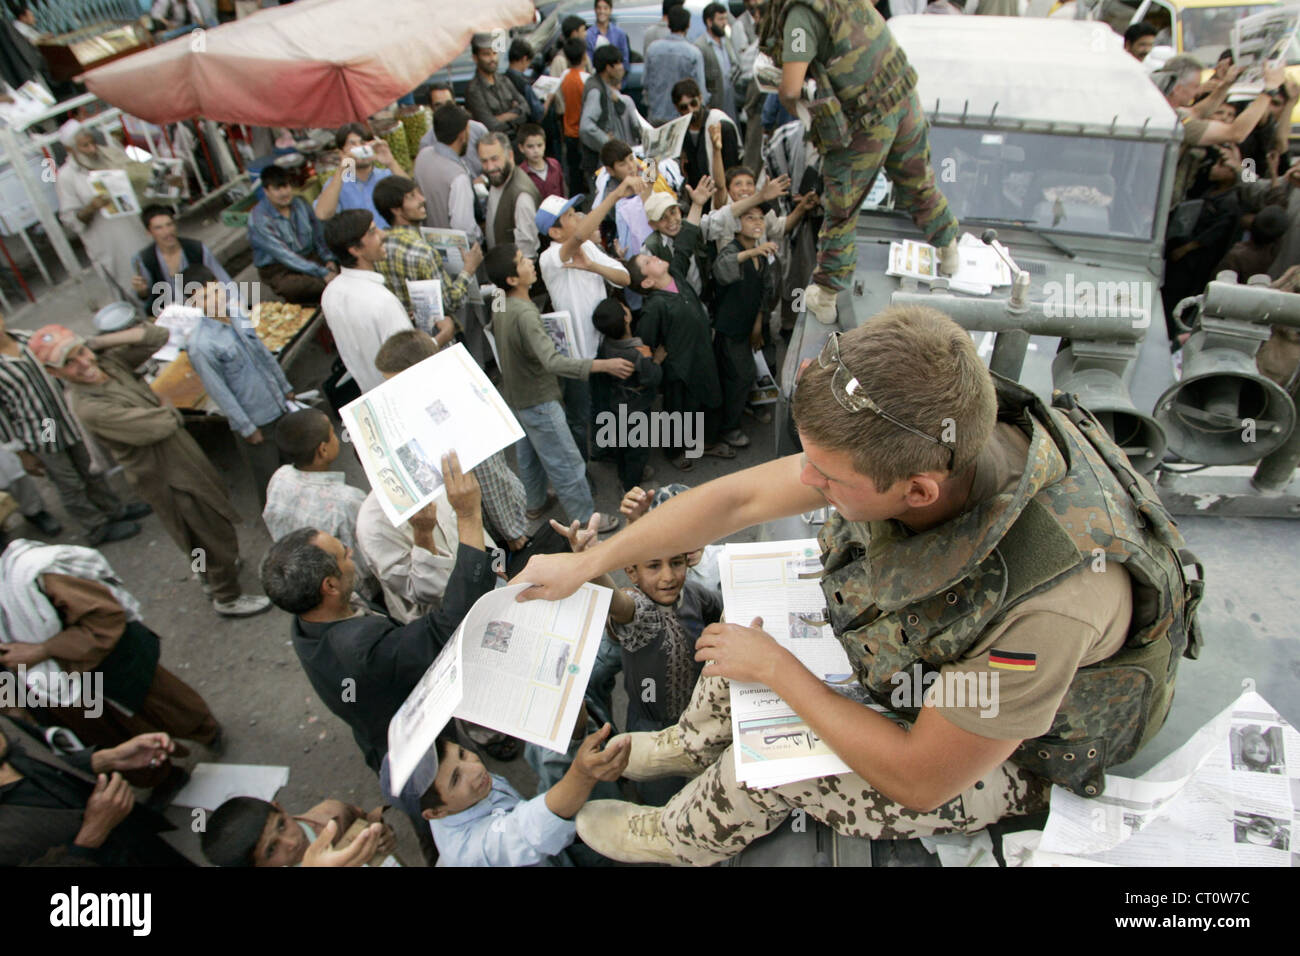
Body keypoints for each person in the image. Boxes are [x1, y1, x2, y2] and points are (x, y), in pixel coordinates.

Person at [513, 305, 1200, 866]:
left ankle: (680, 836)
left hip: (1023, 752)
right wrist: (588, 563)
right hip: (950, 671)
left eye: (828, 477)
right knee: (750, 638)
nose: (805, 481)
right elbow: (737, 501)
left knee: (784, 764)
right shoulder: (925, 433)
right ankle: (688, 743)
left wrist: (778, 671)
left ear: (918, 491)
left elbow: (919, 776)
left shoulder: (1046, 605)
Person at [260, 451, 494, 774]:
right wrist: (468, 515)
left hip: (387, 727)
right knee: (455, 783)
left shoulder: (307, 616)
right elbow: (449, 628)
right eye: (343, 554)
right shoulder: (364, 649)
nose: (351, 552)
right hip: (421, 750)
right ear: (330, 586)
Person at [32, 323, 270, 618]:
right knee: (205, 534)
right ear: (55, 373)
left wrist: (98, 342)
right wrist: (166, 408)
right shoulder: (90, 407)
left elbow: (157, 337)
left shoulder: (108, 364)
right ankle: (226, 596)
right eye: (69, 362)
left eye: (80, 351)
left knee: (198, 531)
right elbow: (161, 425)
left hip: (180, 457)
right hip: (164, 475)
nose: (82, 363)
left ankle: (210, 578)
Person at [761, 0, 960, 325]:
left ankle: (826, 296)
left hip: (867, 119)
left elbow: (791, 88)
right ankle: (948, 249)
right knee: (918, 182)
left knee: (842, 205)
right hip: (903, 98)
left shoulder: (801, 14)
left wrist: (795, 102)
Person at [0, 536, 222, 792]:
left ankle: (207, 733)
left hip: (110, 665)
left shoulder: (35, 572)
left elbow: (104, 621)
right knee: (114, 738)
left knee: (169, 708)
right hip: (60, 691)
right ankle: (162, 777)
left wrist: (42, 650)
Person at [552, 510, 719, 806]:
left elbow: (719, 613)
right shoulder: (641, 615)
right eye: (653, 566)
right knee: (660, 791)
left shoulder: (694, 594)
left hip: (698, 713)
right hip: (651, 726)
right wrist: (590, 563)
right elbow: (619, 604)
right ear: (632, 572)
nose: (668, 576)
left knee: (704, 779)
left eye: (676, 563)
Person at [485, 243, 632, 533]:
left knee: (528, 456)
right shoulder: (525, 315)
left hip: (515, 395)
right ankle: (585, 520)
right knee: (567, 462)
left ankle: (535, 503)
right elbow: (552, 362)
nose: (530, 262)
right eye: (521, 261)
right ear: (512, 279)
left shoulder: (500, 300)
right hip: (538, 399)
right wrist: (602, 365)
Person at [384, 722, 629, 866]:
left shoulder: (459, 798)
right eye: (456, 779)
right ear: (435, 813)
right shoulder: (469, 851)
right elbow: (530, 829)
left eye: (462, 754)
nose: (475, 769)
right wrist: (583, 773)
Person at [372, 330, 529, 555]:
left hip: (493, 525)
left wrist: (511, 532)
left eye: (394, 384)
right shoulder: (429, 398)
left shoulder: (454, 410)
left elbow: (489, 477)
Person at [0, 313, 146, 545]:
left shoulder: (32, 340)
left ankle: (114, 510)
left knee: (91, 469)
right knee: (69, 481)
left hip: (68, 415)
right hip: (43, 428)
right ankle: (95, 527)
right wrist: (22, 453)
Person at [624, 175, 734, 470]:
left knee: (710, 398)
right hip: (679, 368)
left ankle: (706, 442)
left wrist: (697, 204)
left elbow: (685, 241)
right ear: (647, 282)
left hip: (702, 354)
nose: (652, 259)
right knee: (679, 410)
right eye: (647, 263)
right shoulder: (654, 307)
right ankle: (674, 451)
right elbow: (644, 342)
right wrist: (655, 361)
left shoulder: (676, 273)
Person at [0, 716, 189, 866]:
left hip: (138, 842)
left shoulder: (5, 727)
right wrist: (89, 838)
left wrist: (109, 759)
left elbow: (47, 765)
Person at [537, 182, 636, 462]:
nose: (578, 218)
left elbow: (625, 278)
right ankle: (580, 469)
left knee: (603, 405)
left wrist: (593, 266)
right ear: (555, 232)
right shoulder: (550, 258)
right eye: (569, 216)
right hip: (575, 355)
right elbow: (580, 235)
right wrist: (614, 195)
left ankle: (603, 450)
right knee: (578, 417)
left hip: (602, 343)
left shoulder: (588, 249)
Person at [183, 265, 294, 509]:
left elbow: (262, 353)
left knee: (293, 464)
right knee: (271, 479)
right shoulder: (201, 346)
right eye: (204, 298)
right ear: (193, 304)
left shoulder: (237, 315)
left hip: (276, 403)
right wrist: (247, 427)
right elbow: (219, 391)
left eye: (215, 291)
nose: (214, 301)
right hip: (256, 419)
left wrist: (284, 387)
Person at [262, 408, 377, 598]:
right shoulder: (347, 500)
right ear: (323, 450)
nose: (337, 438)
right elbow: (368, 556)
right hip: (353, 589)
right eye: (332, 433)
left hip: (304, 581)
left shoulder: (279, 477)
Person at [320, 209, 425, 394]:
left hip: (369, 391)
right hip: (402, 392)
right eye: (372, 232)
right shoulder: (382, 302)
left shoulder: (330, 293)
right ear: (355, 249)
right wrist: (442, 337)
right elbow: (410, 361)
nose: (383, 235)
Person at [55, 120, 152, 299]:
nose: (92, 149)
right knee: (130, 284)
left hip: (135, 229)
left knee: (154, 272)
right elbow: (69, 218)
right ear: (71, 149)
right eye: (85, 146)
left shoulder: (110, 156)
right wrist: (92, 207)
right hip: (108, 242)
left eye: (92, 143)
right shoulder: (66, 177)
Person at [372, 174, 484, 322]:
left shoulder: (378, 246)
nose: (422, 199)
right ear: (396, 210)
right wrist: (469, 269)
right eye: (412, 197)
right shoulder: (423, 251)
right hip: (431, 328)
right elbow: (449, 303)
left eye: (418, 193)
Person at [713, 206, 777, 450]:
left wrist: (758, 323)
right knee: (738, 376)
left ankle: (747, 407)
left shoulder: (762, 254)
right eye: (750, 218)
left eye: (761, 218)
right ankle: (728, 428)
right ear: (737, 224)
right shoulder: (733, 250)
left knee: (756, 369)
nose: (757, 222)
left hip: (750, 326)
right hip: (730, 328)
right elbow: (721, 270)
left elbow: (764, 290)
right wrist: (752, 252)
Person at [592, 297, 665, 491]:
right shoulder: (638, 352)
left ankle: (626, 473)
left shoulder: (605, 345)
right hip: (636, 408)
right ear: (626, 318)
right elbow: (652, 378)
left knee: (622, 445)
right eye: (623, 307)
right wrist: (656, 360)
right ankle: (631, 487)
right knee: (637, 450)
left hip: (616, 406)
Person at [201, 795, 397, 867]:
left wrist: (383, 835)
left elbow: (366, 821)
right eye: (271, 850)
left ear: (279, 808)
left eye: (281, 825)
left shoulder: (332, 814)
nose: (292, 842)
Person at [249, 163, 338, 305]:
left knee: (343, 267)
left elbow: (318, 235)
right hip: (279, 268)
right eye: (277, 189)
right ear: (266, 191)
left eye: (286, 186)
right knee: (315, 286)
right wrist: (322, 273)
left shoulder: (300, 203)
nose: (284, 193)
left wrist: (328, 259)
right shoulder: (259, 219)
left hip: (309, 256)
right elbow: (285, 255)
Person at [131, 205, 237, 318]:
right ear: (149, 232)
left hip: (206, 311)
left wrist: (238, 310)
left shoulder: (196, 249)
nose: (167, 232)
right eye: (159, 228)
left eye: (169, 225)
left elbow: (224, 281)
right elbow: (146, 300)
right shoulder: (145, 259)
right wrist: (142, 293)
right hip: (173, 317)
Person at [580, 44, 647, 188]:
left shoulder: (603, 87)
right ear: (608, 68)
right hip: (600, 164)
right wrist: (607, 142)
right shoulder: (596, 91)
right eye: (618, 63)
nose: (622, 67)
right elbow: (586, 127)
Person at [414, 104, 483, 244]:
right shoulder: (458, 177)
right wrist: (480, 238)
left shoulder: (422, 156)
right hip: (455, 251)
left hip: (428, 242)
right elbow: (464, 227)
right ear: (462, 135)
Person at [314, 122, 404, 227]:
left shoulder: (386, 175)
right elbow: (323, 214)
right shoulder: (336, 184)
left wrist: (391, 162)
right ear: (341, 153)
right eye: (352, 144)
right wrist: (342, 169)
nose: (360, 148)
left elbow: (412, 196)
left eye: (363, 143)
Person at [479, 131, 542, 258]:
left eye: (495, 159)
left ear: (510, 155)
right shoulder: (499, 177)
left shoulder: (522, 197)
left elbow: (527, 254)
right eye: (484, 161)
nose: (490, 167)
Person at [645, 5, 707, 126]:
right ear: (688, 25)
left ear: (668, 24)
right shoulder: (693, 53)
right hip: (683, 117)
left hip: (656, 116)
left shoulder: (652, 49)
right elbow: (700, 89)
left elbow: (645, 83)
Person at [672, 78, 739, 189]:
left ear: (700, 98)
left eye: (693, 104)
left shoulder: (720, 125)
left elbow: (732, 170)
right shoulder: (679, 131)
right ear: (677, 108)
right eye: (684, 107)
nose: (690, 110)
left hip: (720, 192)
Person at [465, 33, 530, 142]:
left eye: (494, 53)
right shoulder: (473, 90)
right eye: (486, 54)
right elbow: (490, 125)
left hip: (518, 141)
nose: (492, 59)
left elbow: (526, 108)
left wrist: (502, 117)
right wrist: (515, 113)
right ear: (475, 58)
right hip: (495, 144)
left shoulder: (504, 80)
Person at [697, 2, 740, 123]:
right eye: (720, 19)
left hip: (731, 105)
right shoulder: (701, 46)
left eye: (725, 19)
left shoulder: (726, 41)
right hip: (715, 108)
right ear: (709, 22)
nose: (724, 23)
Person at [559, 35, 591, 198]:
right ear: (584, 56)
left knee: (573, 171)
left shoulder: (565, 75)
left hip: (568, 130)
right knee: (587, 170)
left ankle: (575, 199)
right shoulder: (586, 79)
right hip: (583, 133)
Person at [518, 123, 566, 202]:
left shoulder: (555, 165)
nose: (536, 151)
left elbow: (562, 193)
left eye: (539, 145)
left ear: (545, 145)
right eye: (530, 146)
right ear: (521, 148)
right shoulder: (521, 174)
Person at [506, 39, 546, 125]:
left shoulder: (503, 77)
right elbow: (538, 114)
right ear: (524, 59)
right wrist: (550, 98)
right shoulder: (523, 83)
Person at [587, 0, 631, 72]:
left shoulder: (620, 34)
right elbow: (589, 63)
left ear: (610, 10)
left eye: (605, 8)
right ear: (595, 10)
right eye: (599, 8)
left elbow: (625, 62)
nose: (602, 11)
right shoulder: (588, 35)